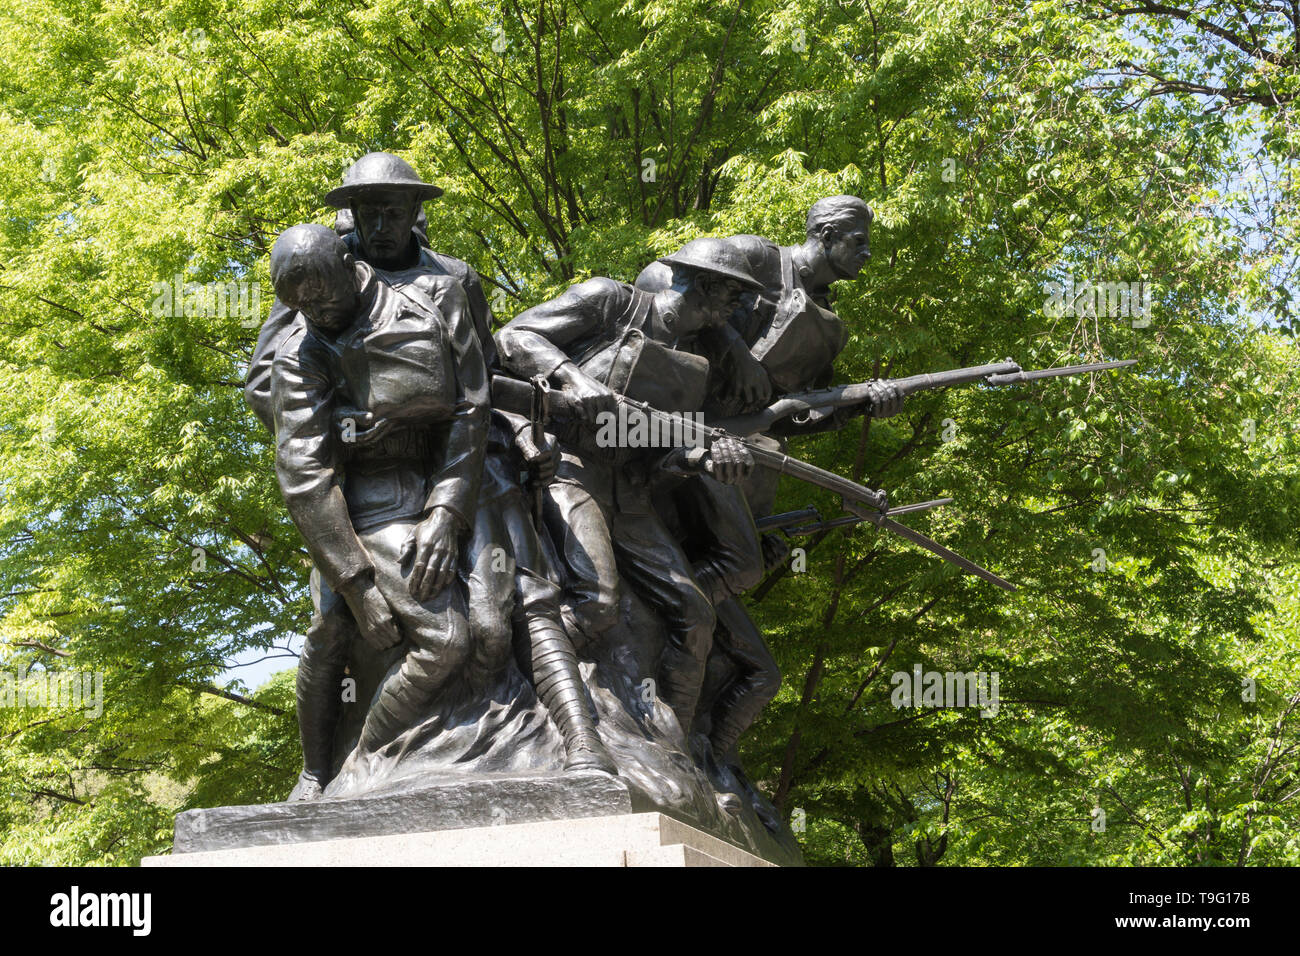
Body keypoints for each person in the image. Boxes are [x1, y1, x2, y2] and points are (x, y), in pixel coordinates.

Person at [495, 239, 762, 735]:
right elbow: (513, 336)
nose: (736, 309)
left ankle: (673, 748)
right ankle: (507, 686)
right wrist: (572, 377)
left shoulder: (694, 361)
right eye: (732, 296)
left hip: (631, 495)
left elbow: (663, 452)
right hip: (569, 468)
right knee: (596, 603)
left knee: (696, 617)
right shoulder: (610, 302)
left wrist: (703, 459)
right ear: (703, 285)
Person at [267, 224, 489, 797]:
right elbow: (305, 476)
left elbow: (471, 407)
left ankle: (369, 755)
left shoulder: (435, 297)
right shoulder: (299, 352)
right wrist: (358, 584)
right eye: (301, 306)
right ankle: (319, 772)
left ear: (350, 262)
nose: (316, 313)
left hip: (456, 484)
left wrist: (446, 512)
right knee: (337, 626)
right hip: (365, 506)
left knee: (490, 624)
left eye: (323, 297)